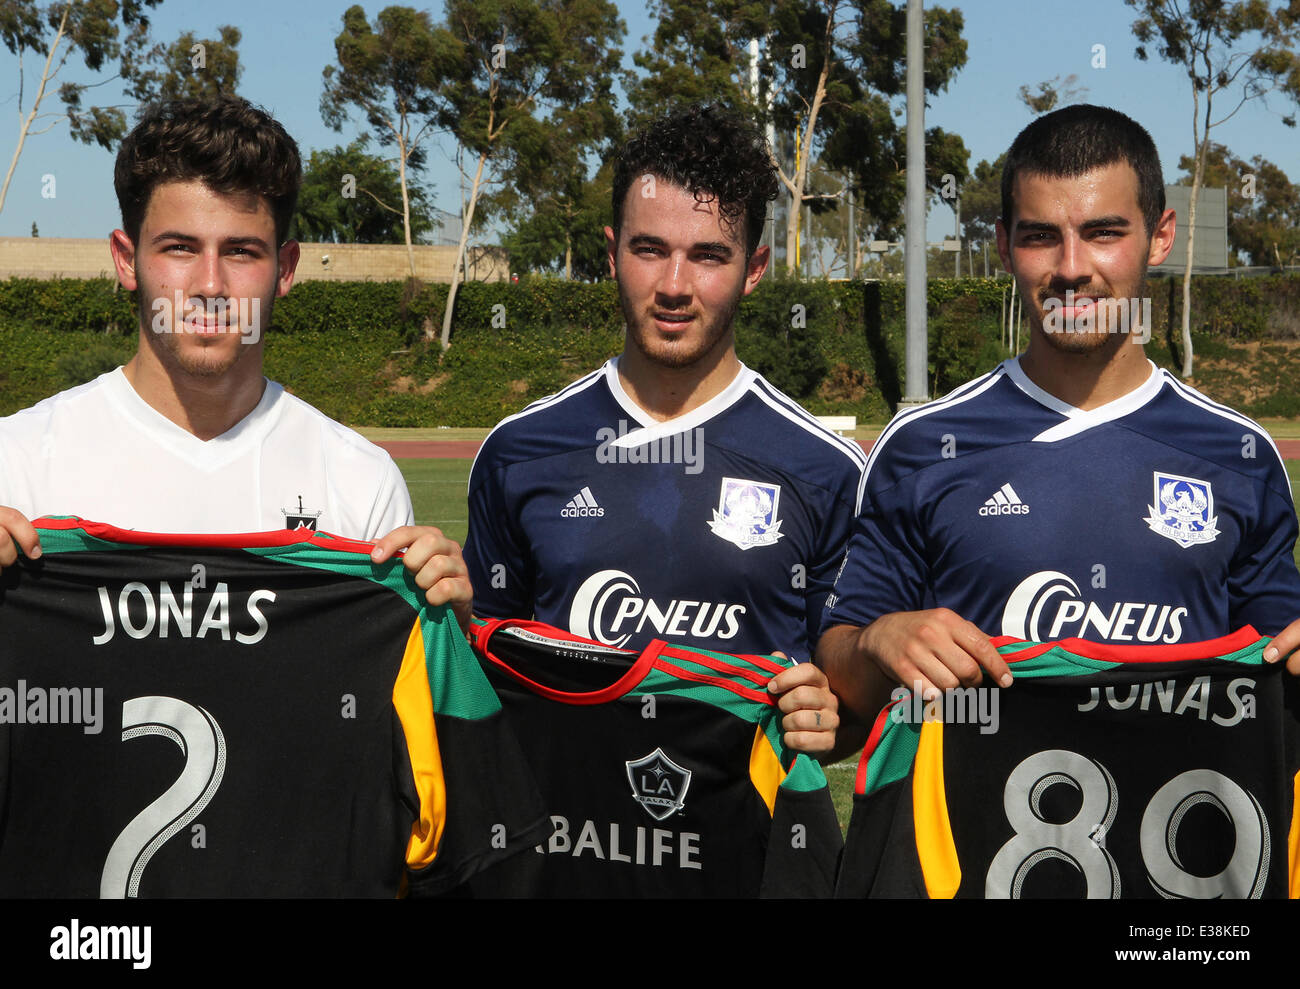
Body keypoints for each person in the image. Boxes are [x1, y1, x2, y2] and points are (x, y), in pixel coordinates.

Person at [817, 103, 1300, 733]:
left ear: (1160, 235)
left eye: (1104, 232)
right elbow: (840, 687)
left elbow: (1279, 658)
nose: (1071, 268)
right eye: (1041, 235)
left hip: (1182, 824)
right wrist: (878, 640)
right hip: (969, 831)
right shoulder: (923, 447)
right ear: (1003, 245)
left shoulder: (1238, 454)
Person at [462, 104, 865, 754]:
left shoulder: (825, 469)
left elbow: (845, 696)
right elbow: (481, 669)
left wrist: (832, 719)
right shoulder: (520, 452)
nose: (675, 285)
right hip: (564, 848)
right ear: (612, 253)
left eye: (708, 256)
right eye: (650, 249)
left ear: (754, 269)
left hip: (751, 851)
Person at [0, 97, 469, 624]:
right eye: (179, 248)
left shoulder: (361, 482)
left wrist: (444, 621)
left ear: (285, 268)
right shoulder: (16, 466)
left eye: (241, 251)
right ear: (127, 259)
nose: (210, 286)